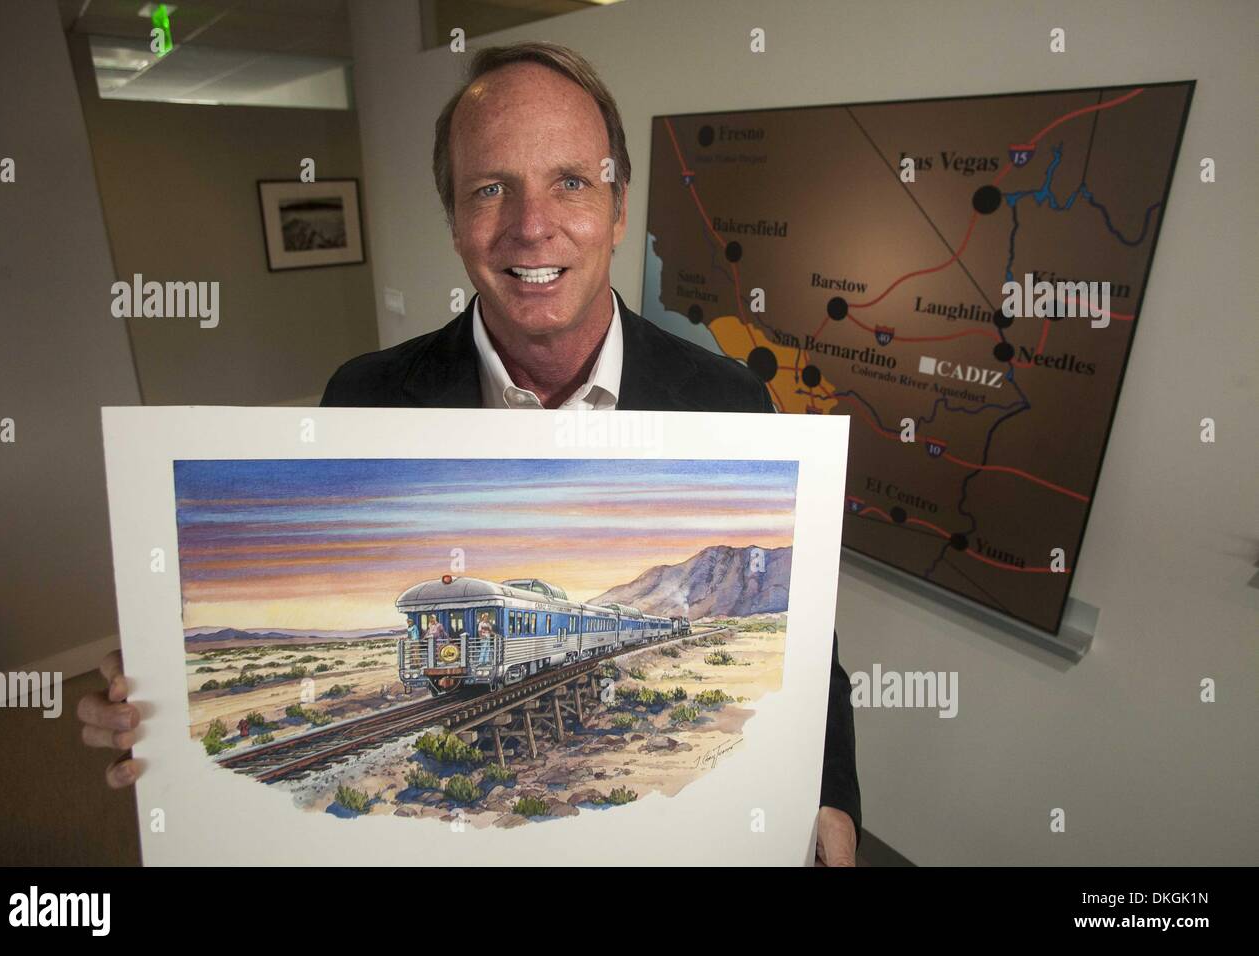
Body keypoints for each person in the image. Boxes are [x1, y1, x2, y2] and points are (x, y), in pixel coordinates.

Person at [79, 41, 861, 866]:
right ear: (453, 220)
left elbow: (815, 651)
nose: (532, 225)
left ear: (619, 206)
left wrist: (834, 799)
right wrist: (163, 696)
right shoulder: (364, 399)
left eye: (570, 182)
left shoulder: (732, 401)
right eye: (491, 189)